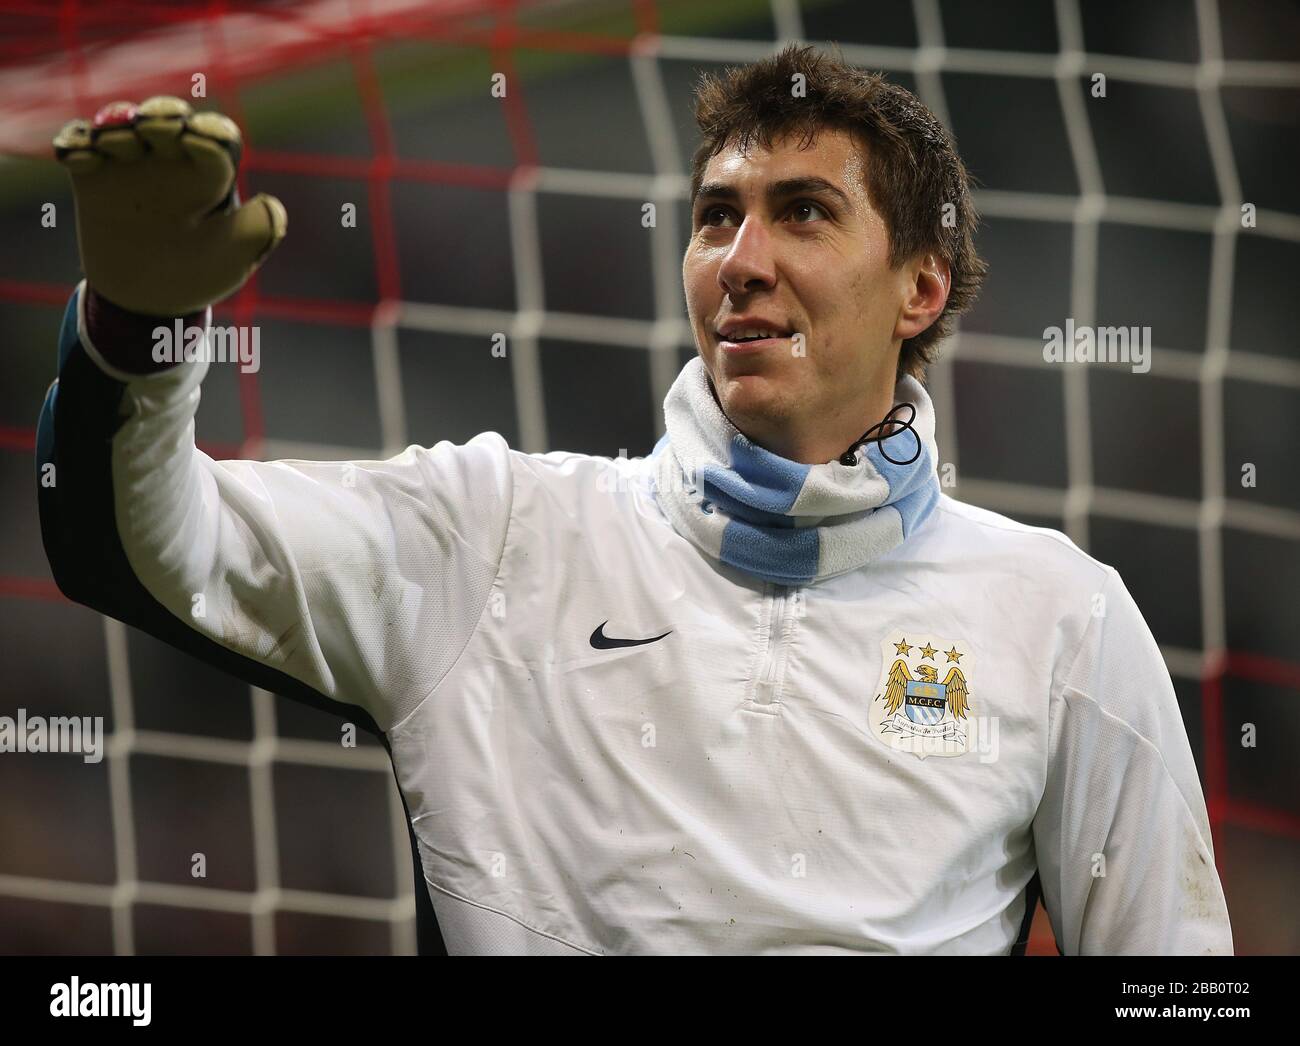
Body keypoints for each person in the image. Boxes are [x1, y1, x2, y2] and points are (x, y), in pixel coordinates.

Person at [38, 44, 1231, 955]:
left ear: (920, 286)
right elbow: (147, 544)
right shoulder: (495, 535)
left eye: (803, 212)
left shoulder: (1060, 617)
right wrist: (139, 327)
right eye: (718, 215)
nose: (741, 259)